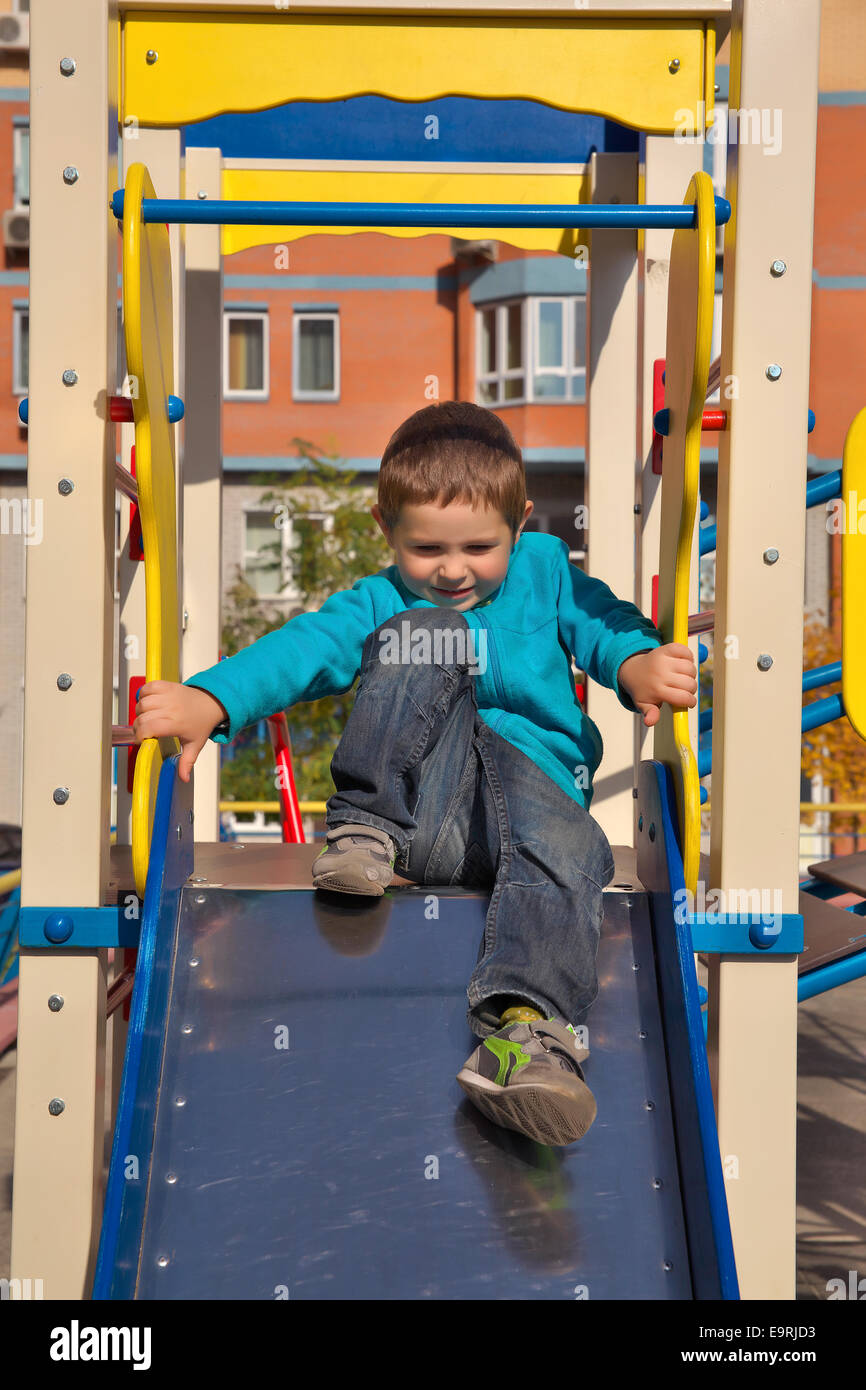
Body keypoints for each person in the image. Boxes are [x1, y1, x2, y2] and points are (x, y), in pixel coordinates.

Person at [132, 401, 697, 1148]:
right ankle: (363, 828)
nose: (453, 568)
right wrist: (213, 696)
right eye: (427, 548)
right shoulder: (385, 599)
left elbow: (599, 625)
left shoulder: (546, 571)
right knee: (425, 634)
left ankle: (524, 1039)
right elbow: (305, 647)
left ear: (521, 524)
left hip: (532, 816)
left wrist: (636, 663)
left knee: (577, 849)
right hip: (419, 816)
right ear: (385, 528)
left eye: (479, 547)